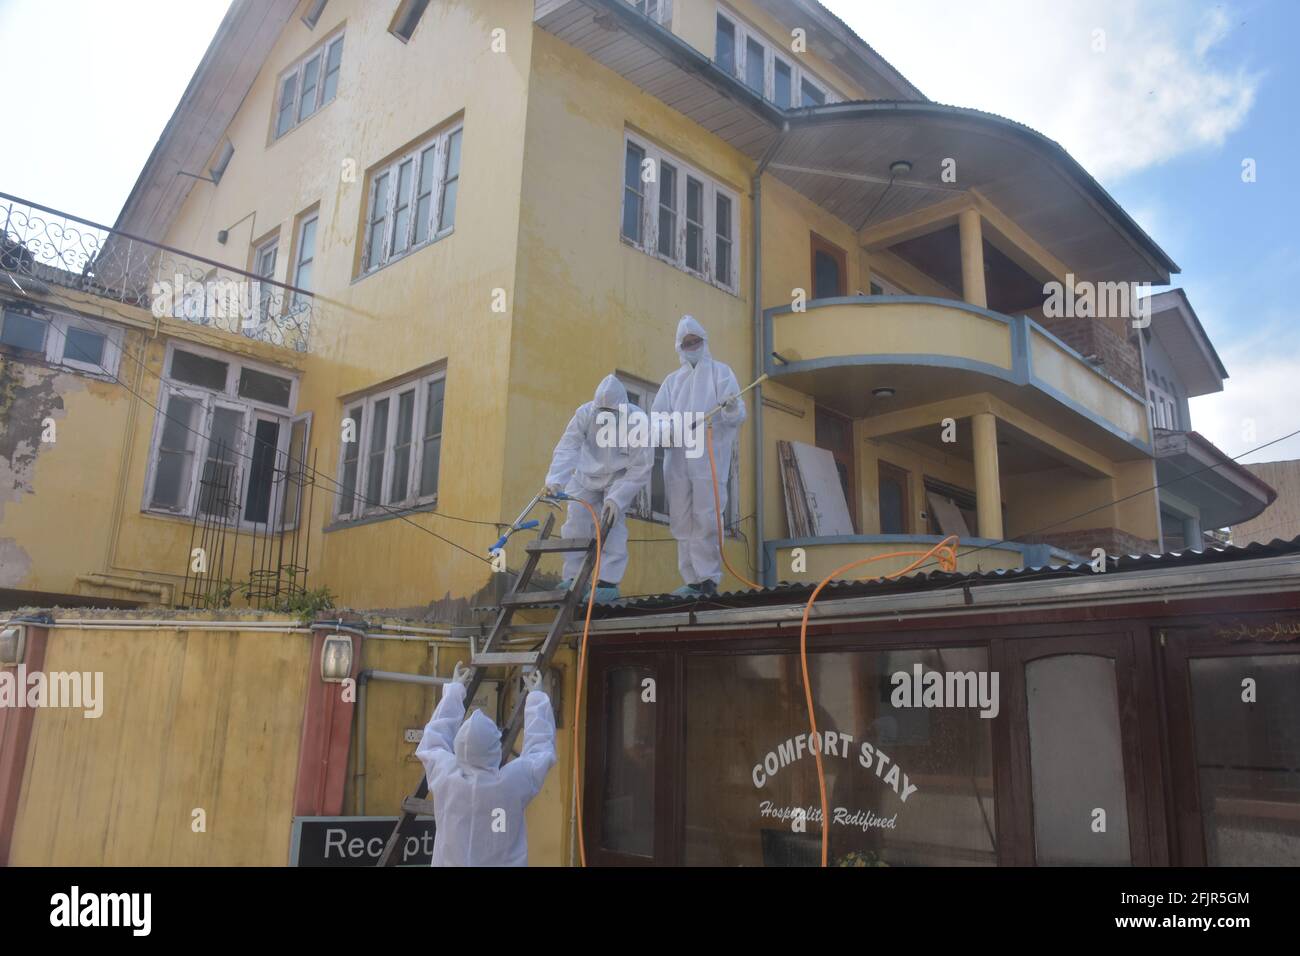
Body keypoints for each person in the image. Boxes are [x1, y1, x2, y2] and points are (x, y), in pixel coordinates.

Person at [415, 662, 556, 867]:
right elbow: (541, 751)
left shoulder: (444, 775)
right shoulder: (511, 783)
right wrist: (536, 699)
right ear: (494, 748)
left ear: (458, 745)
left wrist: (454, 691)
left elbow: (434, 737)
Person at [653, 315, 746, 597]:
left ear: (703, 342)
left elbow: (737, 415)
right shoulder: (672, 382)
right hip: (679, 457)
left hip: (709, 457)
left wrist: (729, 407)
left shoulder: (721, 373)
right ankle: (691, 579)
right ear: (679, 346)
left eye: (695, 341)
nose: (692, 346)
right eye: (687, 342)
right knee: (681, 516)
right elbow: (656, 418)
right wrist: (671, 429)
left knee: (706, 515)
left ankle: (708, 578)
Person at [542, 373, 653, 603]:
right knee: (576, 525)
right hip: (585, 475)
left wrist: (618, 498)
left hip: (618, 479)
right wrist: (555, 479)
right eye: (602, 413)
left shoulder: (637, 422)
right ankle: (573, 578)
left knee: (612, 526)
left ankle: (607, 581)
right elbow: (568, 447)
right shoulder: (585, 414)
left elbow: (641, 467)